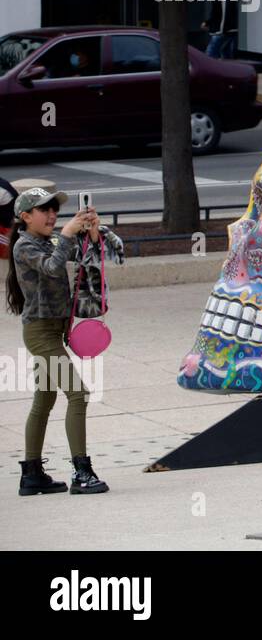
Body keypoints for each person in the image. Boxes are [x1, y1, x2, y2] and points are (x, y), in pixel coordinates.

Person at [5, 186, 120, 496]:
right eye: (45, 210)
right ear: (25, 216)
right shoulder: (24, 247)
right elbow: (52, 267)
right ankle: (82, 472)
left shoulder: (50, 240)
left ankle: (32, 476)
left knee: (44, 400)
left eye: (54, 209)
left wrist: (92, 234)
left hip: (54, 331)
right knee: (78, 394)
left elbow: (84, 258)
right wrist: (69, 232)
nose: (52, 215)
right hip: (41, 334)